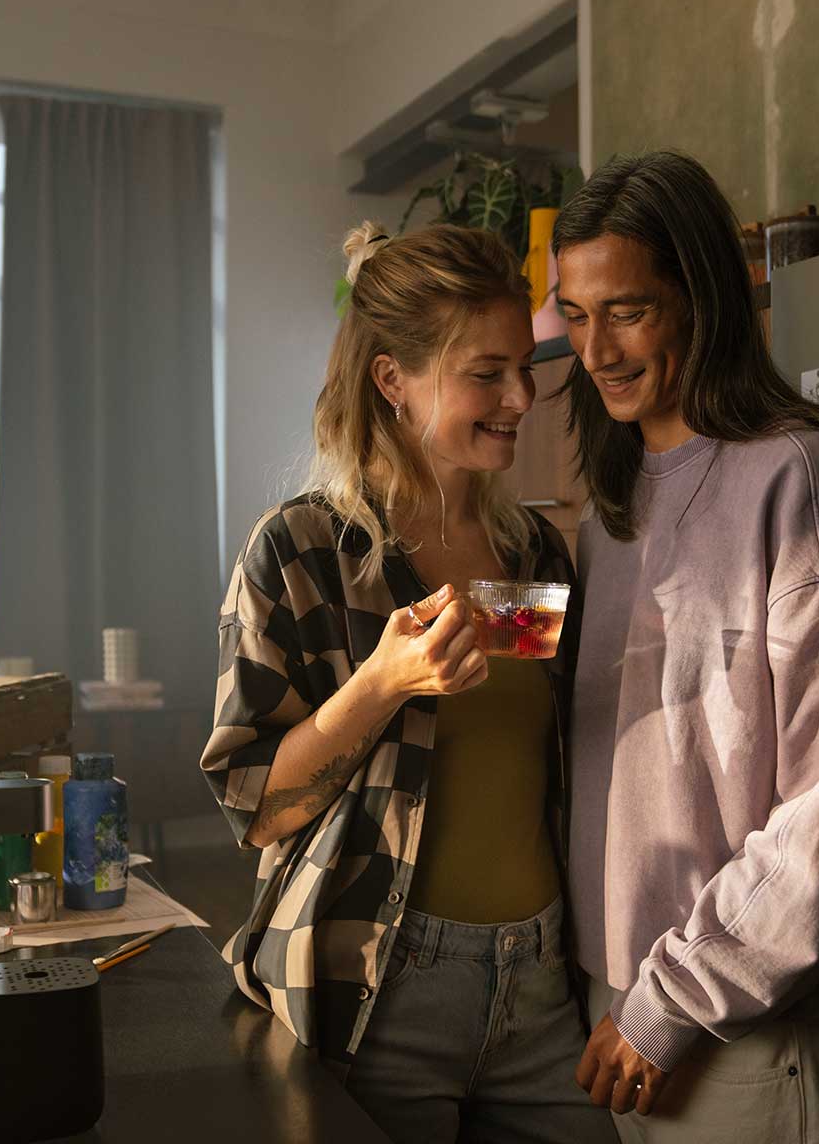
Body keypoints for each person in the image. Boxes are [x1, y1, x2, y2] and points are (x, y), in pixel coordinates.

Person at [200, 222, 616, 1144]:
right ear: (393, 379)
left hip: (543, 981)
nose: (521, 396)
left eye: (527, 366)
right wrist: (382, 683)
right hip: (380, 990)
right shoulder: (304, 551)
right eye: (486, 372)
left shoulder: (533, 552)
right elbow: (254, 810)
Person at [554, 151, 819, 1142]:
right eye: (574, 314)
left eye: (626, 309)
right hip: (617, 1007)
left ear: (698, 300)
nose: (596, 349)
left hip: (737, 1022)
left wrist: (672, 1001)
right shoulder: (609, 513)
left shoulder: (795, 477)